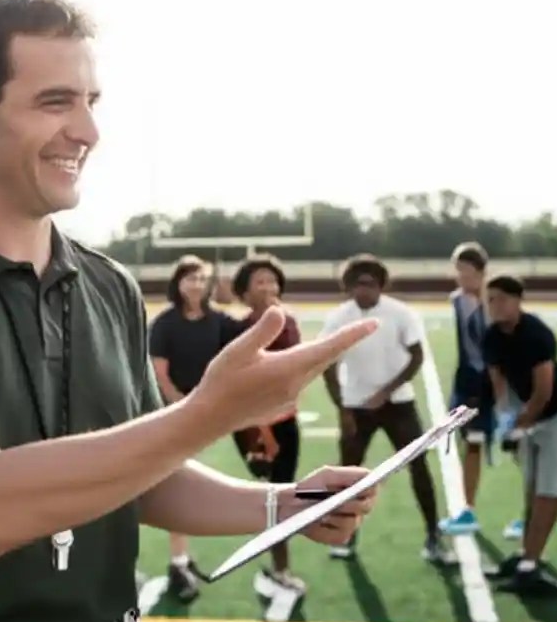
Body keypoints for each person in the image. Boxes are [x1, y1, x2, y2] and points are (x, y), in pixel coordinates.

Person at [0, 0, 381, 622]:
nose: (88, 130)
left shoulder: (110, 285)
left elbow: (142, 475)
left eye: (92, 101)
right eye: (56, 102)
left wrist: (284, 505)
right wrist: (211, 412)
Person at [319, 254, 454, 564]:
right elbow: (327, 363)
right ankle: (345, 536)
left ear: (380, 285)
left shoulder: (399, 313)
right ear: (349, 286)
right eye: (357, 284)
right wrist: (342, 408)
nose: (364, 290)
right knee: (348, 475)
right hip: (355, 405)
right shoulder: (340, 316)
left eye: (370, 283)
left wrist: (386, 392)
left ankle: (433, 535)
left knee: (418, 467)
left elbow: (417, 356)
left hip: (398, 404)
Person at [480, 274, 557, 596]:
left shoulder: (536, 334)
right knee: (531, 486)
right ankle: (527, 554)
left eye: (501, 298)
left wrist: (519, 426)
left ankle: (531, 565)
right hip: (528, 413)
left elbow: (544, 391)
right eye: (490, 299)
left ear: (517, 300)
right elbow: (500, 384)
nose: (495, 305)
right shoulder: (492, 336)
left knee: (549, 489)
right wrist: (505, 420)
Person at [146, 254, 240, 603]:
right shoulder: (165, 324)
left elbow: (247, 338)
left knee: (179, 484)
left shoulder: (218, 320)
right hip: (172, 413)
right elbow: (160, 374)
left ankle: (181, 559)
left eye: (202, 279)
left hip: (199, 413)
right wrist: (186, 406)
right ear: (178, 284)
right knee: (174, 486)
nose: (197, 285)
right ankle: (177, 564)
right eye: (190, 279)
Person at [227, 253, 308, 600]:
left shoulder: (288, 322)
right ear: (244, 292)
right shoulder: (240, 328)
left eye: (273, 280)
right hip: (252, 425)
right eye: (260, 281)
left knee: (280, 495)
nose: (269, 287)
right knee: (270, 496)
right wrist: (262, 431)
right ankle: (278, 567)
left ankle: (278, 566)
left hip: (284, 421)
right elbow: (241, 383)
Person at [438, 242, 524, 541]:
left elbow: (502, 351)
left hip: (502, 381)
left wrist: (503, 395)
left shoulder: (497, 302)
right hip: (471, 382)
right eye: (457, 270)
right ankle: (467, 509)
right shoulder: (457, 300)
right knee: (471, 442)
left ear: (481, 272)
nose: (460, 276)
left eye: (466, 271)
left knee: (519, 446)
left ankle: (531, 511)